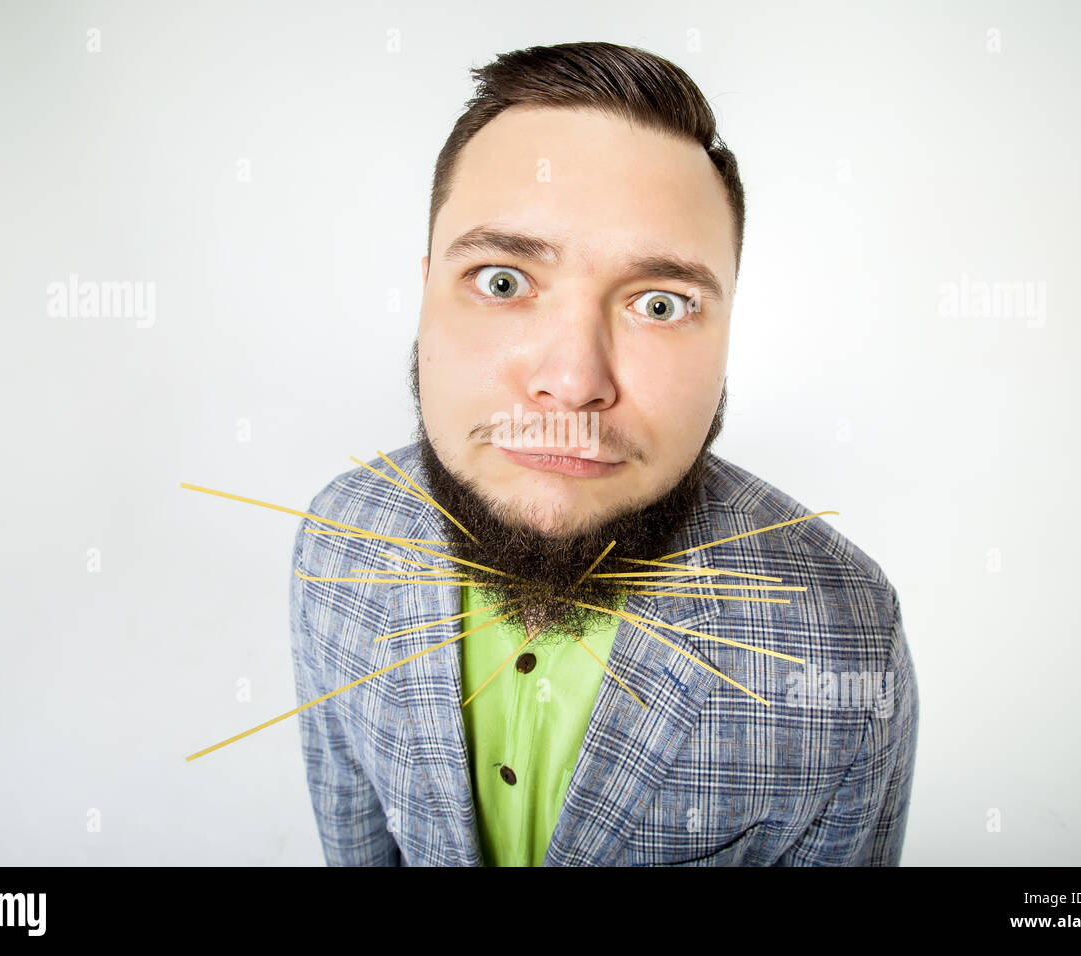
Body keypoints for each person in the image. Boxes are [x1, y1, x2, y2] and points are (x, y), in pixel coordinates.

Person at [289, 40, 918, 866]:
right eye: (503, 280)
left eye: (660, 303)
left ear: (730, 335)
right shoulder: (336, 543)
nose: (573, 381)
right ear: (424, 295)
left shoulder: (843, 638)